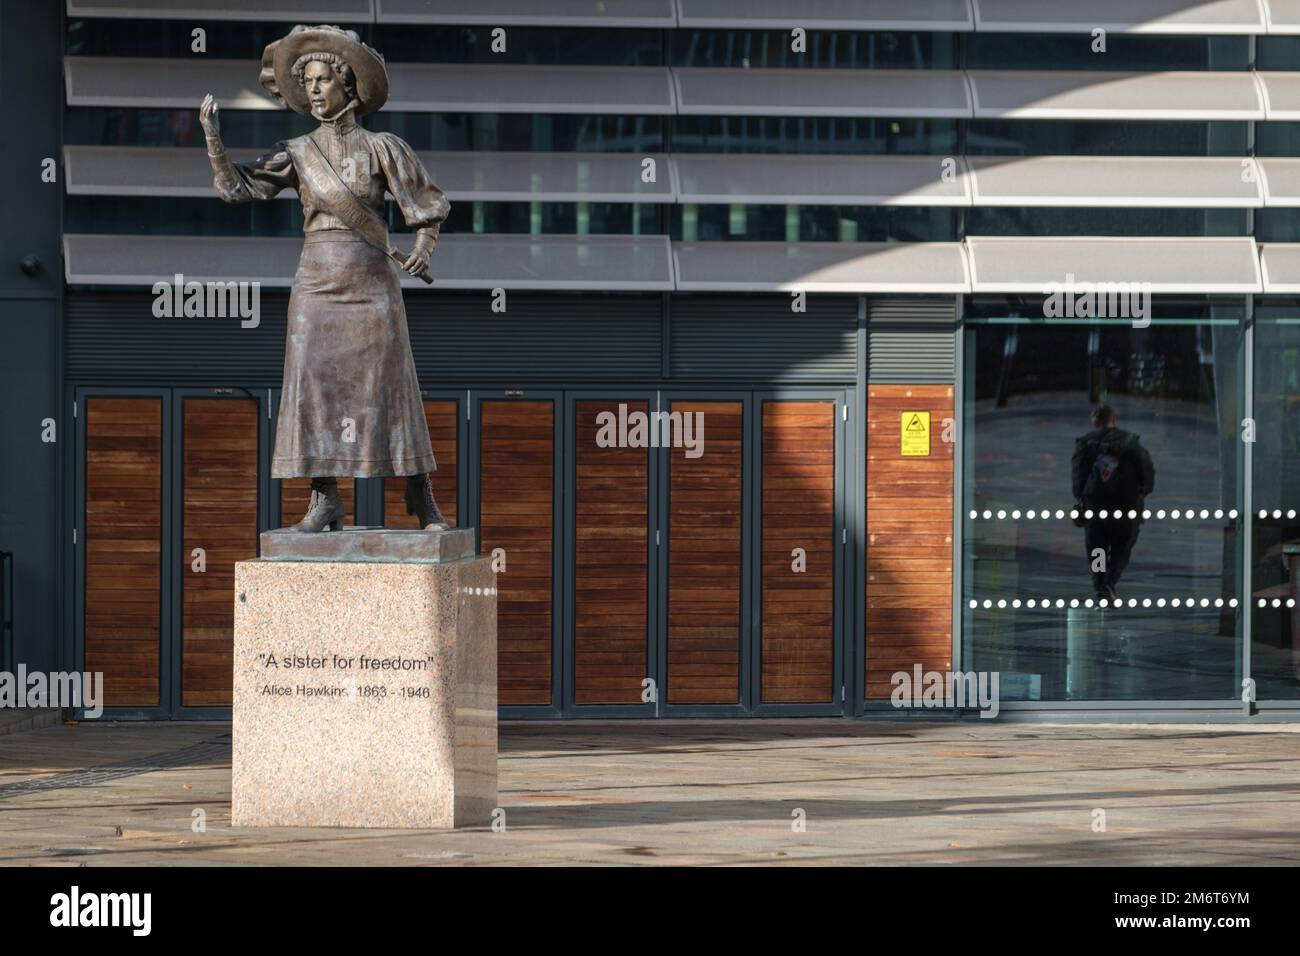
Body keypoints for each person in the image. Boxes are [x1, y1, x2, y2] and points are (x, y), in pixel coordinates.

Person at [199, 25, 450, 531]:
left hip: (371, 283)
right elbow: (237, 190)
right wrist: (213, 140)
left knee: (391, 386)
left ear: (348, 85)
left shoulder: (383, 147)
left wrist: (423, 249)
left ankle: (421, 496)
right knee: (313, 385)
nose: (313, 89)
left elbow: (426, 210)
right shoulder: (295, 152)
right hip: (316, 284)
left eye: (322, 80)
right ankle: (325, 498)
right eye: (307, 81)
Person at [1072, 404, 1156, 600]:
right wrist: (1142, 492)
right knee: (1121, 548)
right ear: (1113, 420)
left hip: (1095, 505)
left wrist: (1080, 500)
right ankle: (1109, 583)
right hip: (1126, 505)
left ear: (1095, 420)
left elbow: (1078, 476)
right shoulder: (1131, 441)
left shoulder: (1085, 443)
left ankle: (1099, 584)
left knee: (1097, 549)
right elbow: (1146, 472)